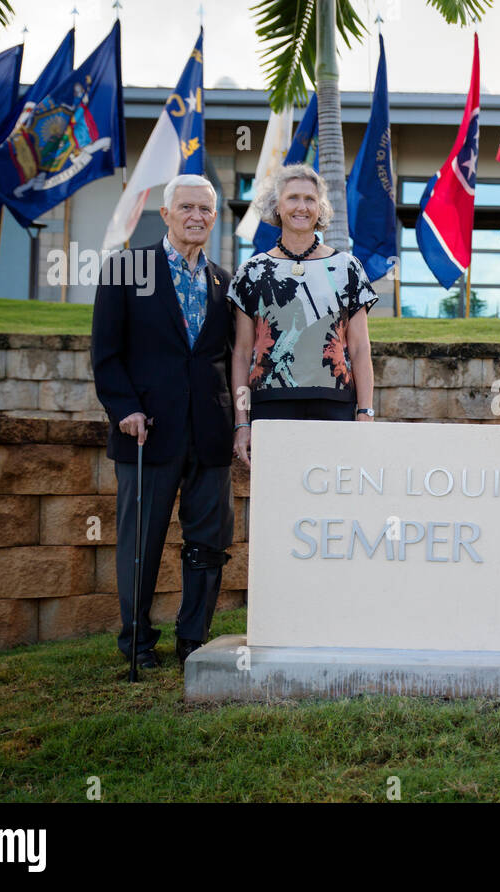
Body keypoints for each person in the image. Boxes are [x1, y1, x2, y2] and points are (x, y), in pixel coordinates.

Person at [92, 173, 235, 670]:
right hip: (145, 432)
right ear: (167, 214)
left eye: (206, 210)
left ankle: (193, 638)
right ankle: (137, 642)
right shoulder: (126, 270)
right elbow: (106, 356)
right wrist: (124, 408)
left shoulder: (225, 283)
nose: (197, 217)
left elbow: (230, 359)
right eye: (187, 208)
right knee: (142, 542)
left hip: (211, 434)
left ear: (215, 219)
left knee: (209, 542)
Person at [229, 163, 377, 466]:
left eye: (310, 199)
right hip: (269, 405)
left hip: (334, 403)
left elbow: (361, 347)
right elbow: (242, 354)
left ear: (320, 207)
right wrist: (242, 421)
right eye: (293, 198)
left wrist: (365, 411)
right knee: (275, 500)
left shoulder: (347, 268)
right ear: (277, 206)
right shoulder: (252, 272)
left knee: (330, 499)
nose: (302, 207)